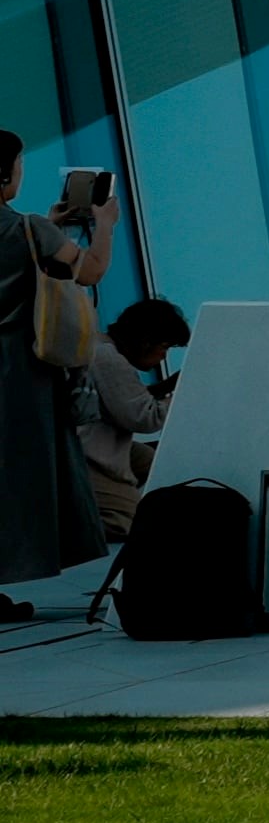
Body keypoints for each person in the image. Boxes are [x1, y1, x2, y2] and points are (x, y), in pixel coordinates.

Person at [0, 134, 115, 587]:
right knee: (18, 472)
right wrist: (104, 224)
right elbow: (89, 271)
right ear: (4, 174)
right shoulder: (26, 229)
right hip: (17, 370)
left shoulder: (33, 230)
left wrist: (45, 227)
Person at [75, 293, 187, 542]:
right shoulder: (107, 359)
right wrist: (185, 390)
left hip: (95, 439)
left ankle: (99, 497)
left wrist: (165, 387)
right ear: (146, 341)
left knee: (154, 464)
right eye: (164, 347)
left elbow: (120, 401)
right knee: (126, 523)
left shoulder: (101, 347)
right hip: (86, 451)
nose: (164, 356)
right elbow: (145, 418)